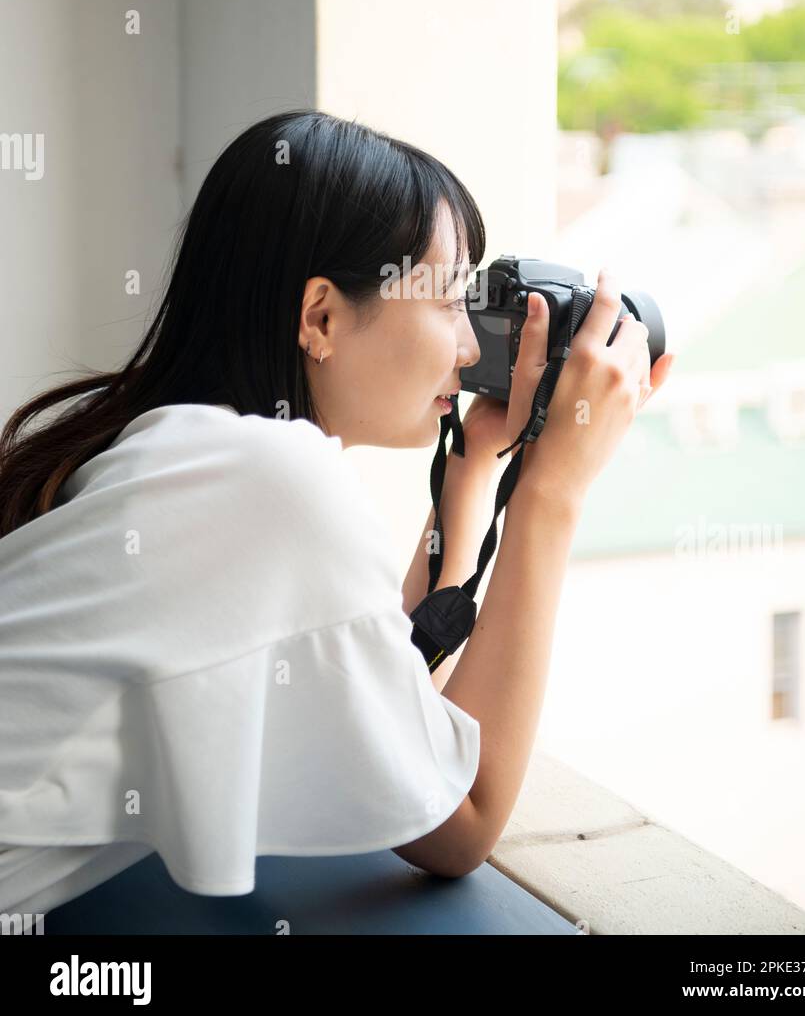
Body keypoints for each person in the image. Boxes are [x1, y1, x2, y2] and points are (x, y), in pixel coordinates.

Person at [0, 109, 673, 917]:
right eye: (450, 300)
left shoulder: (165, 447)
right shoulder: (271, 477)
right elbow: (458, 827)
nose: (469, 348)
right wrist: (553, 493)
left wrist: (469, 479)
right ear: (320, 317)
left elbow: (387, 706)